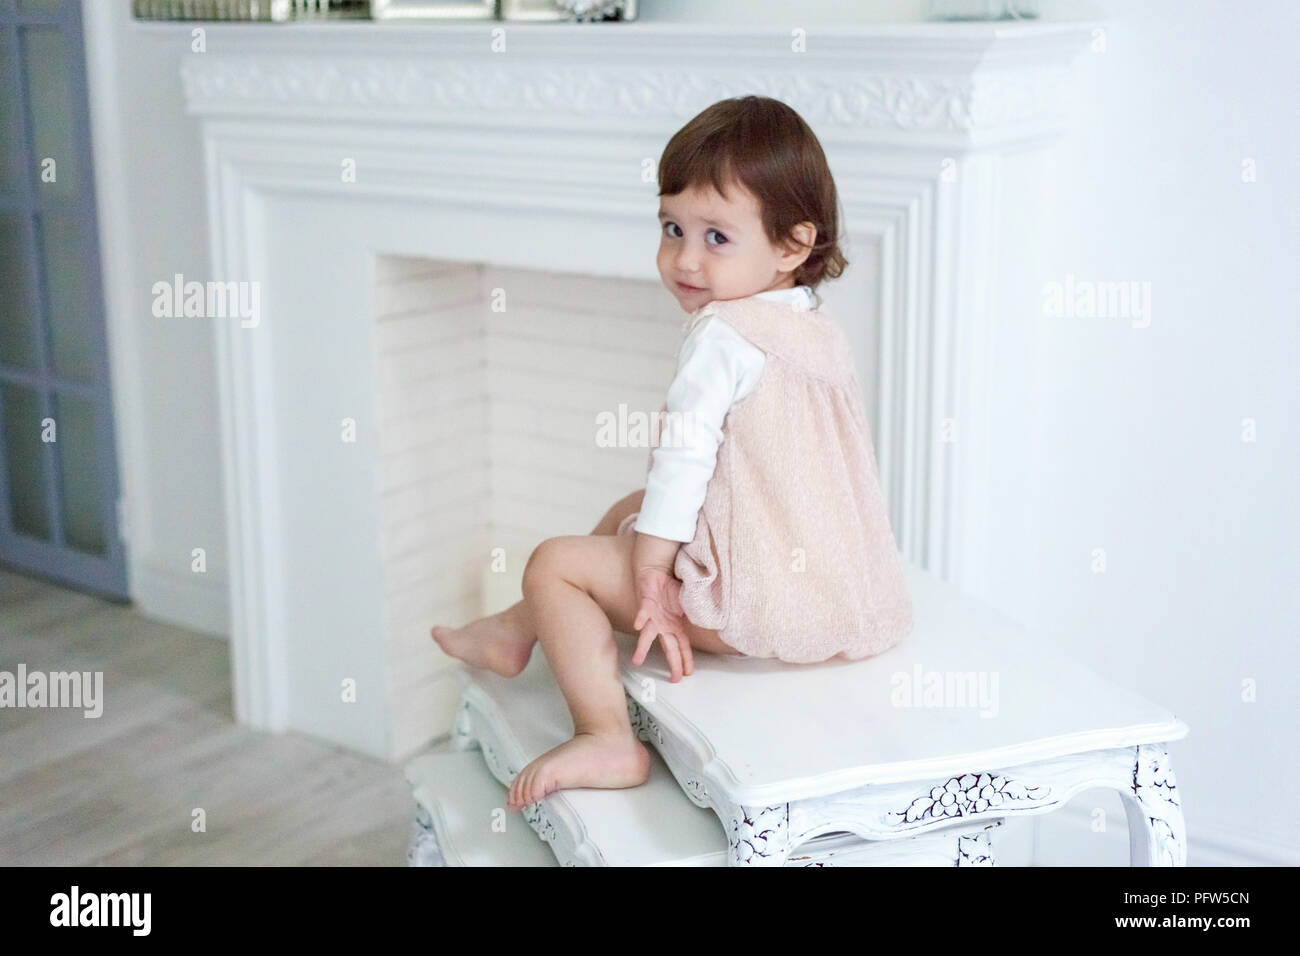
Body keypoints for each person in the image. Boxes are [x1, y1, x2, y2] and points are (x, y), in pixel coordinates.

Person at [432, 95, 913, 810]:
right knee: (629, 510)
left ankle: (605, 735)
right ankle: (517, 628)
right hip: (837, 591)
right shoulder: (812, 324)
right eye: (671, 227)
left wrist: (654, 575)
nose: (684, 259)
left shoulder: (723, 335)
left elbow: (682, 465)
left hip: (756, 605)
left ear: (791, 244)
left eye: (716, 237)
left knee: (554, 563)